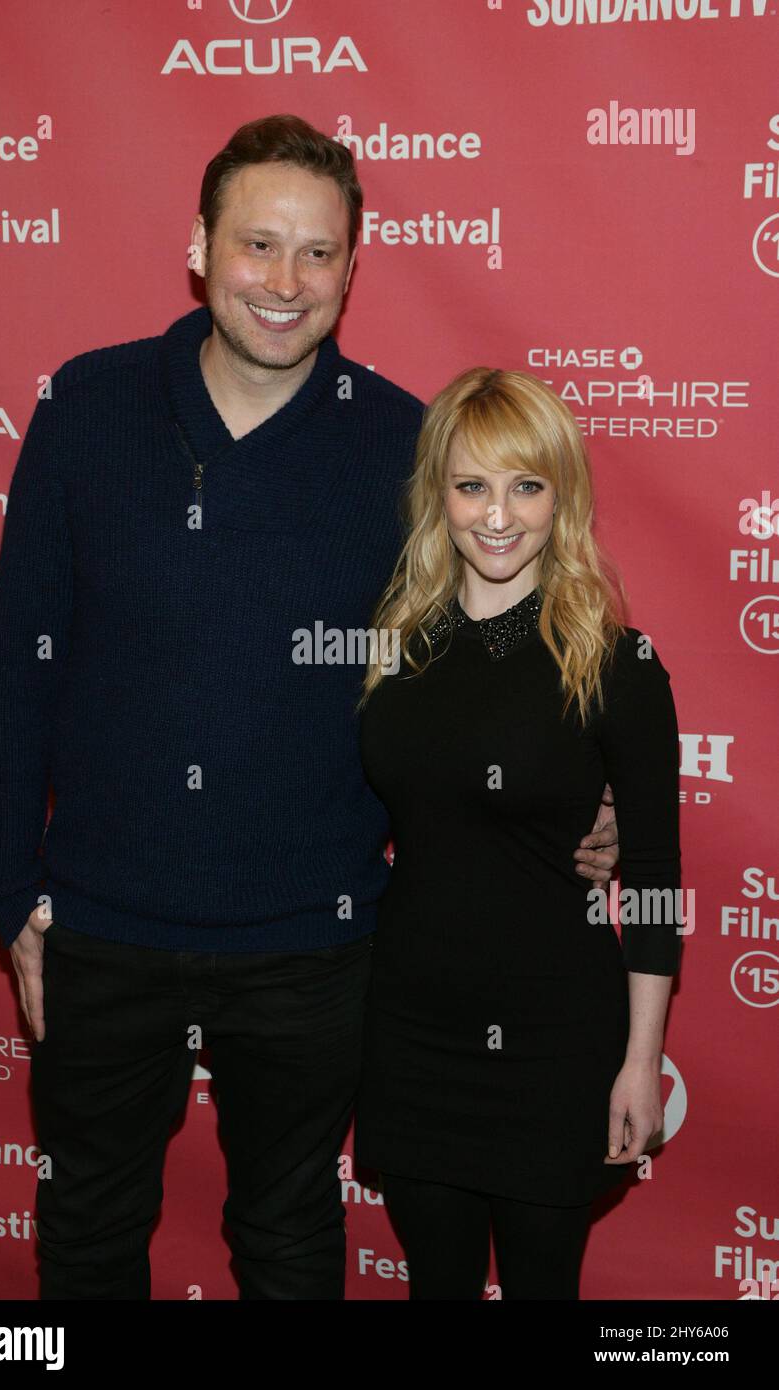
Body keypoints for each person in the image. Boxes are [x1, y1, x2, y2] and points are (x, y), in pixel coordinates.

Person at [0, 115, 619, 1301]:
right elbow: (19, 662)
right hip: (102, 927)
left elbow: (484, 661)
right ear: (197, 247)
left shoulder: (403, 443)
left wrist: (581, 794)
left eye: (317, 254)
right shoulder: (89, 407)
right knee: (88, 1236)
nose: (284, 282)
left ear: (353, 269)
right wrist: (11, 890)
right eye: (258, 245)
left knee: (286, 1239)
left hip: (314, 938)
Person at [353, 368, 683, 1300]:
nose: (498, 515)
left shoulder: (616, 664)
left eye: (526, 486)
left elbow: (655, 881)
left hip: (556, 1042)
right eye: (472, 485)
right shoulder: (394, 652)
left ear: (561, 499)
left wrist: (641, 1061)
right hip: (412, 1031)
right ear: (438, 498)